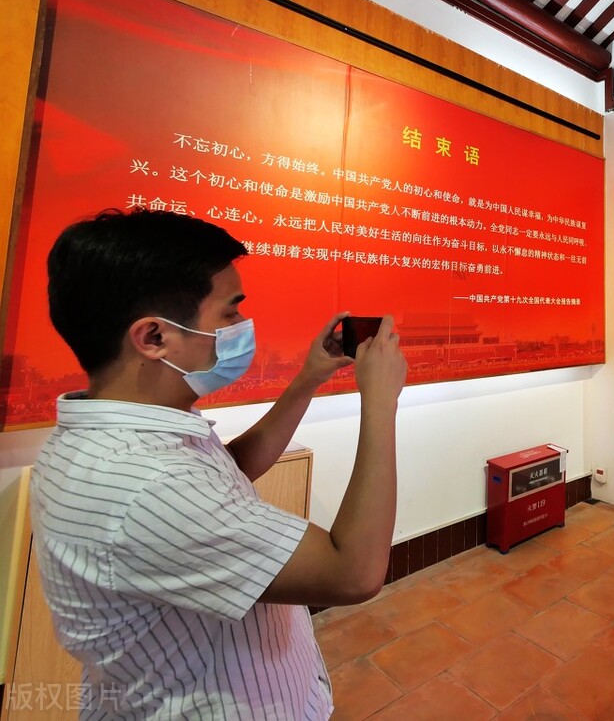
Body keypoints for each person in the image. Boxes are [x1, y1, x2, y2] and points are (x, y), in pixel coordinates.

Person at [30, 208, 407, 719]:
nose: (242, 327)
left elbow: (228, 470)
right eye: (229, 314)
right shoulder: (145, 484)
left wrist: (308, 379)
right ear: (154, 338)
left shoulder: (126, 436)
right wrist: (380, 402)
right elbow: (353, 572)